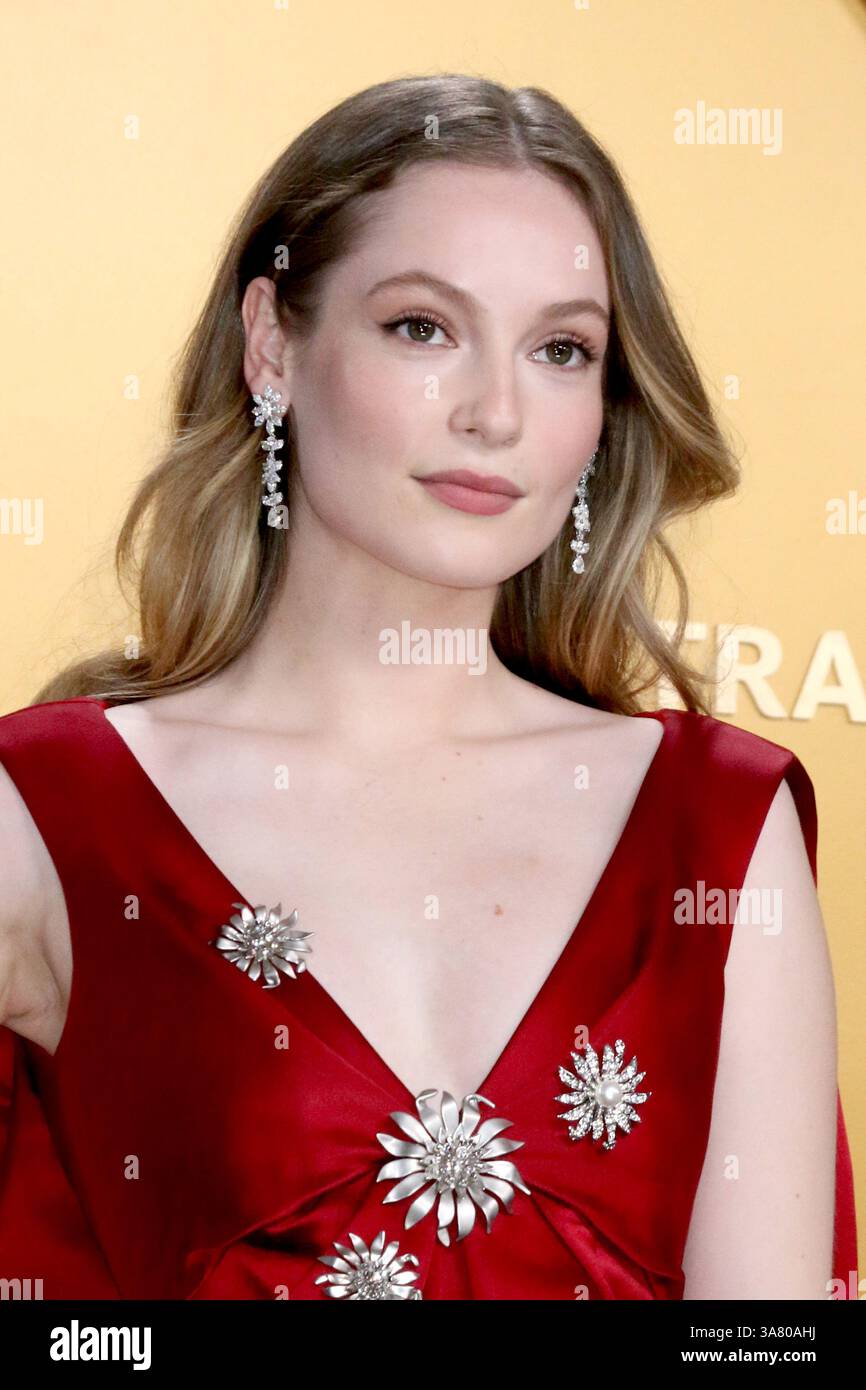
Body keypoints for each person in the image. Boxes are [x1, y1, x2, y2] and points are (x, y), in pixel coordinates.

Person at [0, 74, 857, 1301]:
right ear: (272, 343)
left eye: (560, 350)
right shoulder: (44, 810)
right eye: (422, 327)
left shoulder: (714, 827)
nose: (495, 412)